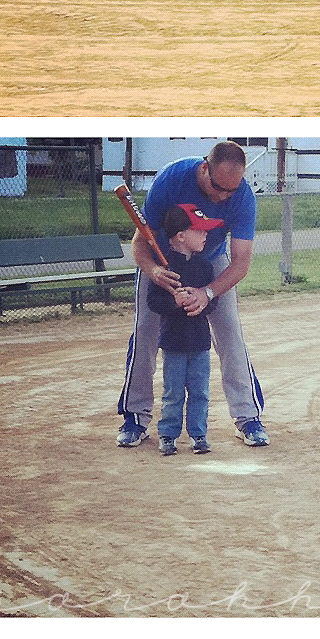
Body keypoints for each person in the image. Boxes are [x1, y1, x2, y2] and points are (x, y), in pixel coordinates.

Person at [117, 141, 269, 449]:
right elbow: (139, 242)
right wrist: (154, 271)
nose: (225, 196)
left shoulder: (242, 196)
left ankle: (247, 417)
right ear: (204, 169)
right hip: (161, 260)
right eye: (220, 188)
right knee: (145, 329)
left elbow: (241, 261)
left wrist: (208, 292)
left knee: (228, 327)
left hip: (210, 261)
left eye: (233, 189)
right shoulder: (172, 179)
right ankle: (135, 417)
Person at [146, 204, 224, 456]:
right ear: (180, 236)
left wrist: (201, 300)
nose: (205, 235)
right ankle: (168, 435)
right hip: (174, 342)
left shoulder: (204, 267)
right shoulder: (164, 270)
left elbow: (213, 303)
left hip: (200, 342)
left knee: (200, 391)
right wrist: (175, 302)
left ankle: (198, 434)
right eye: (199, 230)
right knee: (173, 392)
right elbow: (154, 302)